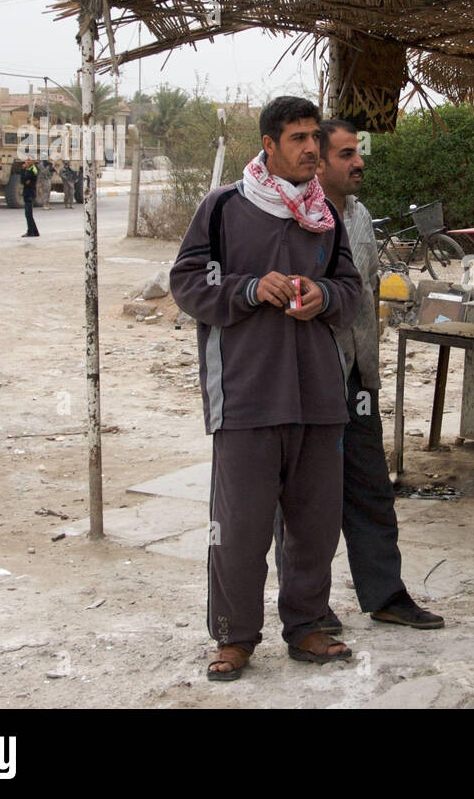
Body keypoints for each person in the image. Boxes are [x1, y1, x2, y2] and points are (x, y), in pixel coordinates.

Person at [169, 96, 362, 681]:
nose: (311, 150)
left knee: (315, 522)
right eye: (299, 139)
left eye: (314, 138)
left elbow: (351, 290)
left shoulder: (326, 215)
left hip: (319, 396)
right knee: (241, 526)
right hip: (248, 395)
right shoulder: (224, 207)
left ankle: (307, 626)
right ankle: (234, 638)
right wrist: (250, 289)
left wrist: (322, 296)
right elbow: (187, 282)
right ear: (270, 145)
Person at [273, 119, 444, 634]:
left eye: (357, 153)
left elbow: (366, 292)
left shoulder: (362, 215)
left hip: (358, 378)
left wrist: (369, 367)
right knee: (307, 502)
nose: (359, 162)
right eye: (346, 154)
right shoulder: (294, 219)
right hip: (310, 382)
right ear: (317, 163)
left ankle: (386, 594)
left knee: (371, 488)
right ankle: (309, 611)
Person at [20, 155, 40, 237]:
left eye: (29, 160)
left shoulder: (32, 169)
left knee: (28, 214)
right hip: (27, 192)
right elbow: (23, 180)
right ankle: (34, 231)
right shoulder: (29, 169)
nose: (27, 162)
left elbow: (25, 180)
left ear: (33, 161)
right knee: (28, 214)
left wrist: (22, 170)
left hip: (29, 193)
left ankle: (30, 232)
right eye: (26, 160)